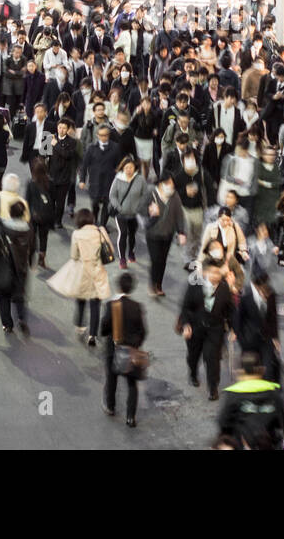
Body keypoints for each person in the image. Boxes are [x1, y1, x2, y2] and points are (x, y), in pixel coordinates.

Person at [47, 209, 113, 345]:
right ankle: (92, 335)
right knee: (95, 304)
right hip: (98, 270)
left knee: (81, 298)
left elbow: (74, 255)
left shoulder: (77, 234)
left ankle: (80, 325)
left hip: (83, 271)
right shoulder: (100, 231)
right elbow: (110, 249)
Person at [178, 258, 235, 401]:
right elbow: (185, 307)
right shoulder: (194, 286)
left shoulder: (224, 288)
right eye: (212, 272)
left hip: (215, 330)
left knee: (212, 358)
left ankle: (213, 387)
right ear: (205, 273)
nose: (216, 276)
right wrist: (186, 325)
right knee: (193, 355)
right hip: (195, 328)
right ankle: (192, 373)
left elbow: (230, 311)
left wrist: (234, 329)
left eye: (218, 273)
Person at [217, 350, 284, 449]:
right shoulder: (274, 393)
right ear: (261, 370)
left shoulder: (233, 395)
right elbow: (283, 422)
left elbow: (223, 422)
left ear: (240, 372)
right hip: (269, 445)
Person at [100, 272, 147, 428]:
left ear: (118, 286)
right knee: (132, 384)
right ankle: (130, 417)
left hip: (114, 349)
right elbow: (142, 331)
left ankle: (111, 406)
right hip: (132, 351)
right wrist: (135, 345)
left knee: (111, 379)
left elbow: (104, 329)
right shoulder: (137, 307)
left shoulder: (112, 306)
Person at [0, 200, 33, 336]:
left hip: (4, 267)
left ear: (10, 213)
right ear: (23, 214)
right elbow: (32, 248)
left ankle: (7, 324)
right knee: (19, 295)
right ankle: (21, 318)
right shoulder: (28, 228)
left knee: (3, 297)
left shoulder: (1, 226)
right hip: (21, 267)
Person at [143, 175, 182, 296]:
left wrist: (181, 232)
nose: (171, 186)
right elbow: (140, 209)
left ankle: (158, 285)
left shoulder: (175, 196)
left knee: (162, 260)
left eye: (172, 184)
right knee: (155, 260)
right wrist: (149, 211)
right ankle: (152, 284)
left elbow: (179, 215)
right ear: (161, 184)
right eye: (168, 183)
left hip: (167, 234)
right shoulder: (151, 193)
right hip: (153, 234)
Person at [108, 155, 148, 267]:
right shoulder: (118, 179)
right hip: (121, 213)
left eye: (130, 167)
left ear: (134, 168)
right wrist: (119, 207)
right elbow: (112, 195)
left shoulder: (140, 180)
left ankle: (131, 253)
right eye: (126, 168)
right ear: (123, 168)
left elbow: (145, 194)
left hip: (135, 214)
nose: (129, 170)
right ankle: (122, 259)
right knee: (123, 233)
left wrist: (140, 206)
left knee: (132, 234)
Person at [79, 122, 122, 227]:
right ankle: (94, 220)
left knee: (107, 205)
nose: (104, 137)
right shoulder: (91, 148)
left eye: (106, 135)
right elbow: (84, 165)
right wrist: (82, 180)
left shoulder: (115, 147)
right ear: (97, 135)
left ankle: (102, 225)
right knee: (95, 204)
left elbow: (119, 165)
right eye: (101, 135)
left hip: (109, 182)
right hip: (95, 182)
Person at [24, 157, 57, 269]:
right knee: (44, 237)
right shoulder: (50, 182)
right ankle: (42, 258)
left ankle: (29, 258)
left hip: (33, 216)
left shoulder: (31, 183)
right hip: (46, 215)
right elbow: (53, 199)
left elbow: (27, 200)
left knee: (32, 237)